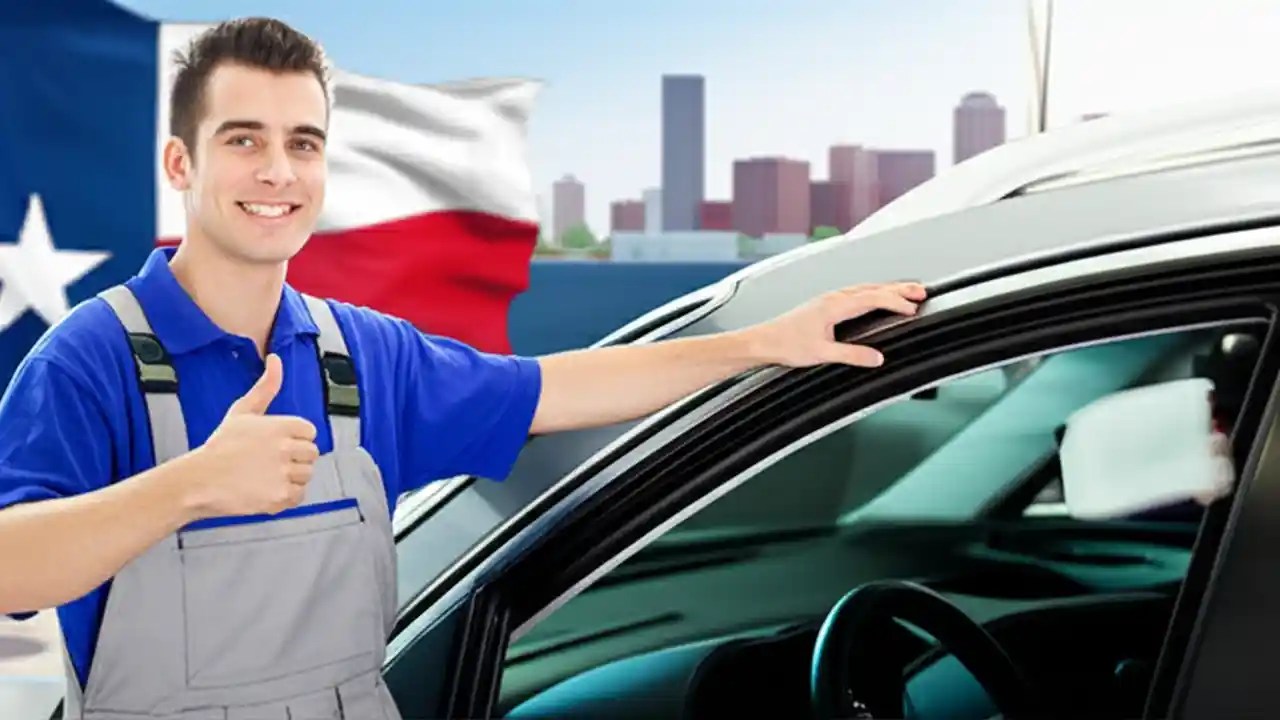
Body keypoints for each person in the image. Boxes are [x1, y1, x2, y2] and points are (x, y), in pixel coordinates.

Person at [0, 17, 925, 720]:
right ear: (181, 163)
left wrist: (764, 342)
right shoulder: (89, 362)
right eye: (243, 139)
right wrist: (193, 486)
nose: (277, 171)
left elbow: (555, 389)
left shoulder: (362, 356)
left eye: (303, 144)